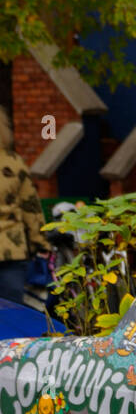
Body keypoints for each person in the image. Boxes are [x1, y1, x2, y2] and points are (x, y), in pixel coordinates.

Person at [0, 106, 50, 306]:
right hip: (12, 252)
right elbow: (31, 208)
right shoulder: (13, 162)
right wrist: (41, 244)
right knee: (12, 314)